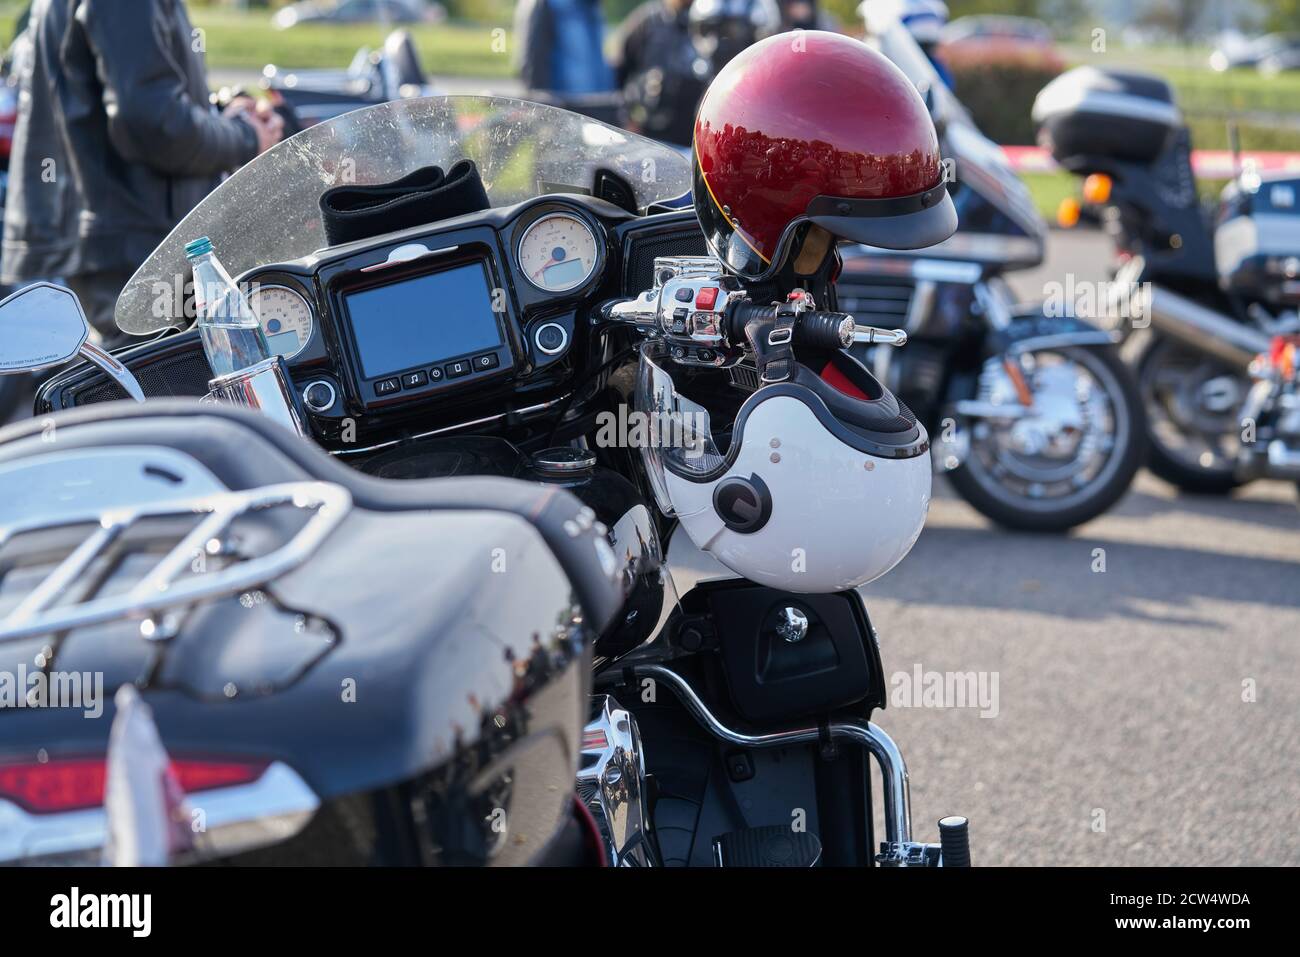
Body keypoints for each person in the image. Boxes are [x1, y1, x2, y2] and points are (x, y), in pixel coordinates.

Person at [1, 0, 283, 345]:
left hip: (121, 240)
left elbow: (131, 100)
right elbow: (151, 124)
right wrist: (247, 137)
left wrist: (220, 115)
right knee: (163, 384)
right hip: (139, 250)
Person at [514, 0, 616, 96]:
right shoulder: (546, 4)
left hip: (598, 107)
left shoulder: (591, 6)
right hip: (563, 109)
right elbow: (533, 67)